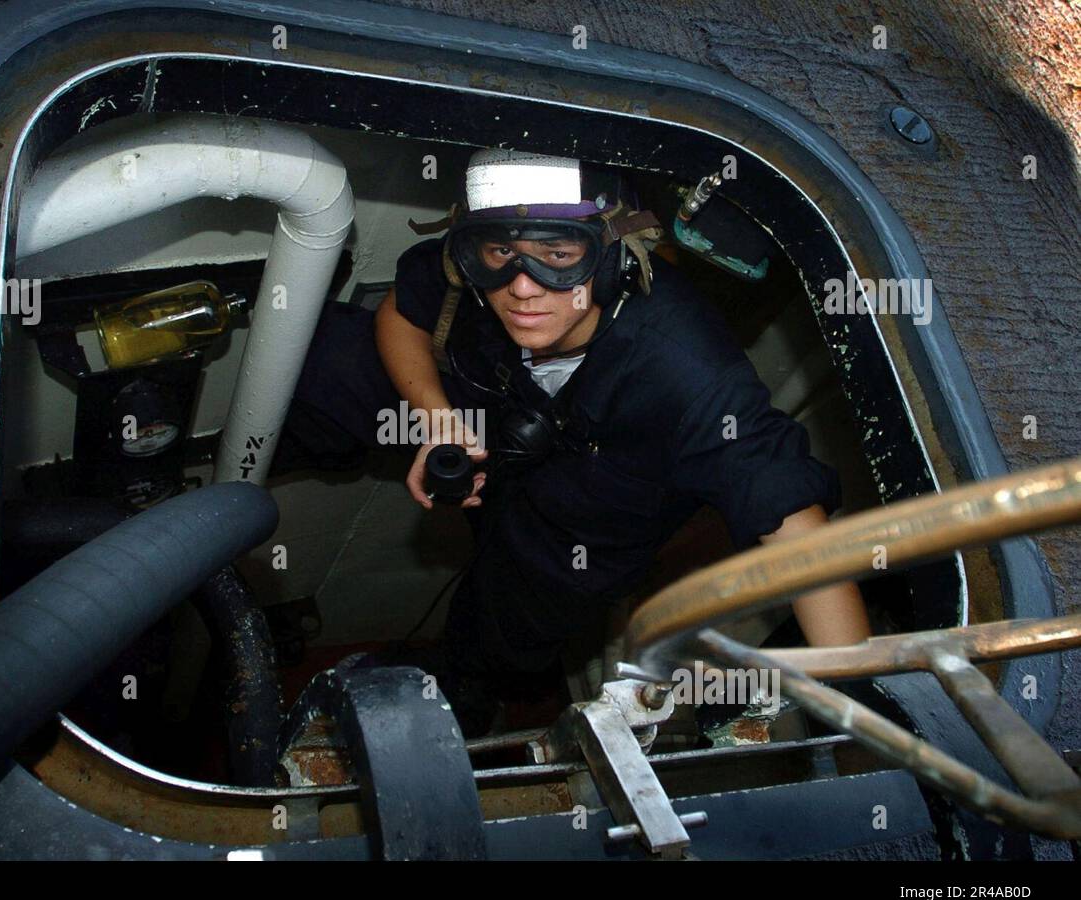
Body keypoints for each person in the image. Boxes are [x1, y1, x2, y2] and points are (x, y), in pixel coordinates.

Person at [275, 149, 870, 734]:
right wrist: (437, 419)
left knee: (506, 624)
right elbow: (403, 314)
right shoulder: (478, 270)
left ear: (610, 257)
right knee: (322, 358)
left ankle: (469, 697)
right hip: (487, 411)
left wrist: (856, 715)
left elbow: (795, 527)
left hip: (588, 515)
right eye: (503, 252)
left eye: (558, 254)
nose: (523, 287)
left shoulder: (686, 367)